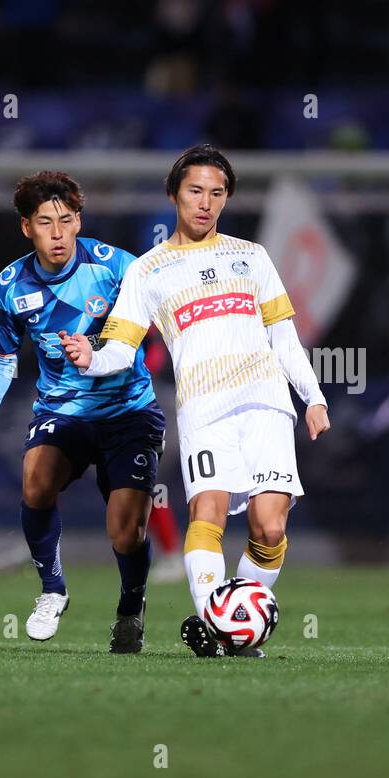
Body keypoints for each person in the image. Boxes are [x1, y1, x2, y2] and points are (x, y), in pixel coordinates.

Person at [60, 144, 329, 657]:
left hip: (267, 404)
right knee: (208, 510)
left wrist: (312, 399)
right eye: (195, 191)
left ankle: (237, 624)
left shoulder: (252, 256)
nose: (205, 202)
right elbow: (121, 345)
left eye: (217, 193)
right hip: (204, 410)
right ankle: (217, 624)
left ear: (226, 199)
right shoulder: (149, 270)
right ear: (173, 195)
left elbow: (283, 335)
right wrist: (89, 358)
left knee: (270, 526)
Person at [0, 171, 164, 653]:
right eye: (45, 222)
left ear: (79, 222)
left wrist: (101, 347)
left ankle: (130, 608)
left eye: (66, 221)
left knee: (126, 529)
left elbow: (153, 326)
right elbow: (3, 356)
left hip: (128, 411)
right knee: (36, 477)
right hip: (64, 410)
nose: (58, 233)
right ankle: (52, 590)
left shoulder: (116, 266)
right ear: (26, 227)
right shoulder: (10, 286)